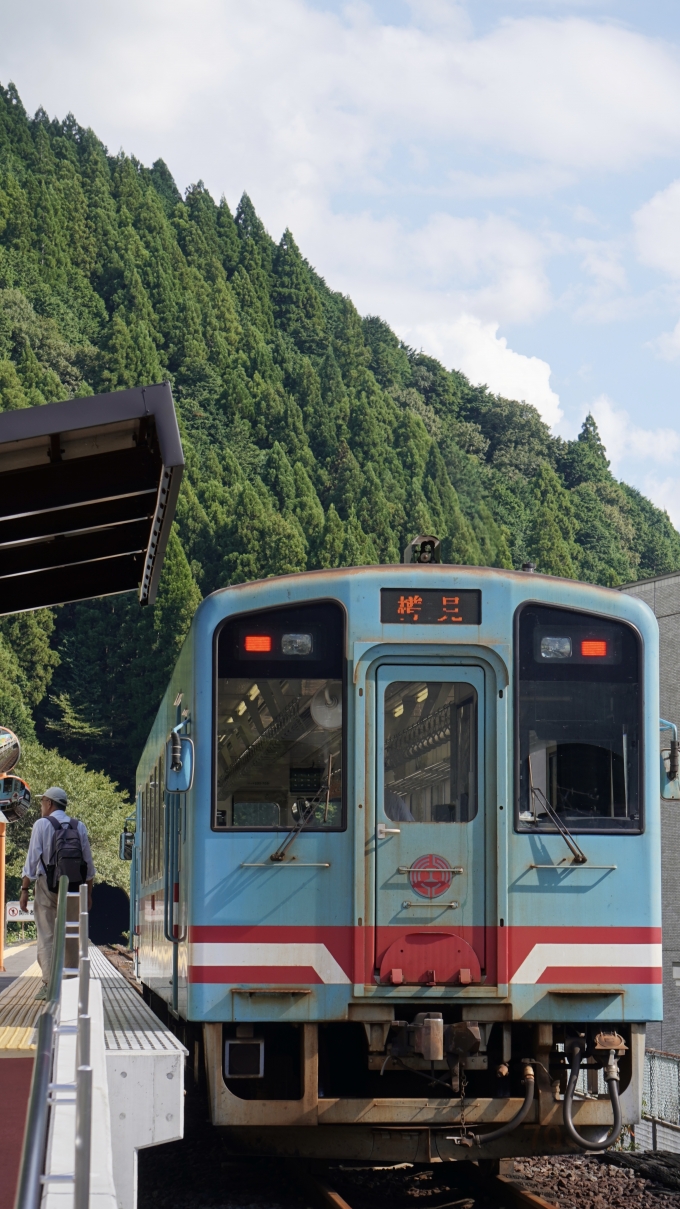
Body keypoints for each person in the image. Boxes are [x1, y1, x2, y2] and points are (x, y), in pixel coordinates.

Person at [19, 787, 95, 998]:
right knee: (71, 936)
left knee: (47, 936)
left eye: (42, 801)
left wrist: (25, 889)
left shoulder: (42, 825)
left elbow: (32, 862)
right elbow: (88, 864)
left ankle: (50, 985)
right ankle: (70, 986)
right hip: (73, 887)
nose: (41, 805)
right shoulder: (79, 826)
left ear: (50, 803)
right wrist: (88, 893)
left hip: (47, 886)